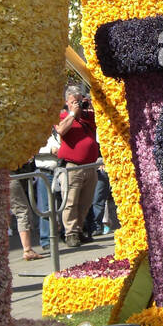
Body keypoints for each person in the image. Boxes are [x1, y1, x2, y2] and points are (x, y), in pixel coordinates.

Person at [56, 83, 99, 248]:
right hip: (72, 167)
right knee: (71, 201)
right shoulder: (62, 116)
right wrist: (73, 113)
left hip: (90, 166)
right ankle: (70, 234)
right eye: (74, 101)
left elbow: (101, 117)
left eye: (79, 101)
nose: (78, 104)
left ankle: (79, 230)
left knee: (86, 202)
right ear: (67, 102)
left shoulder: (87, 116)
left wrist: (91, 104)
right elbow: (61, 130)